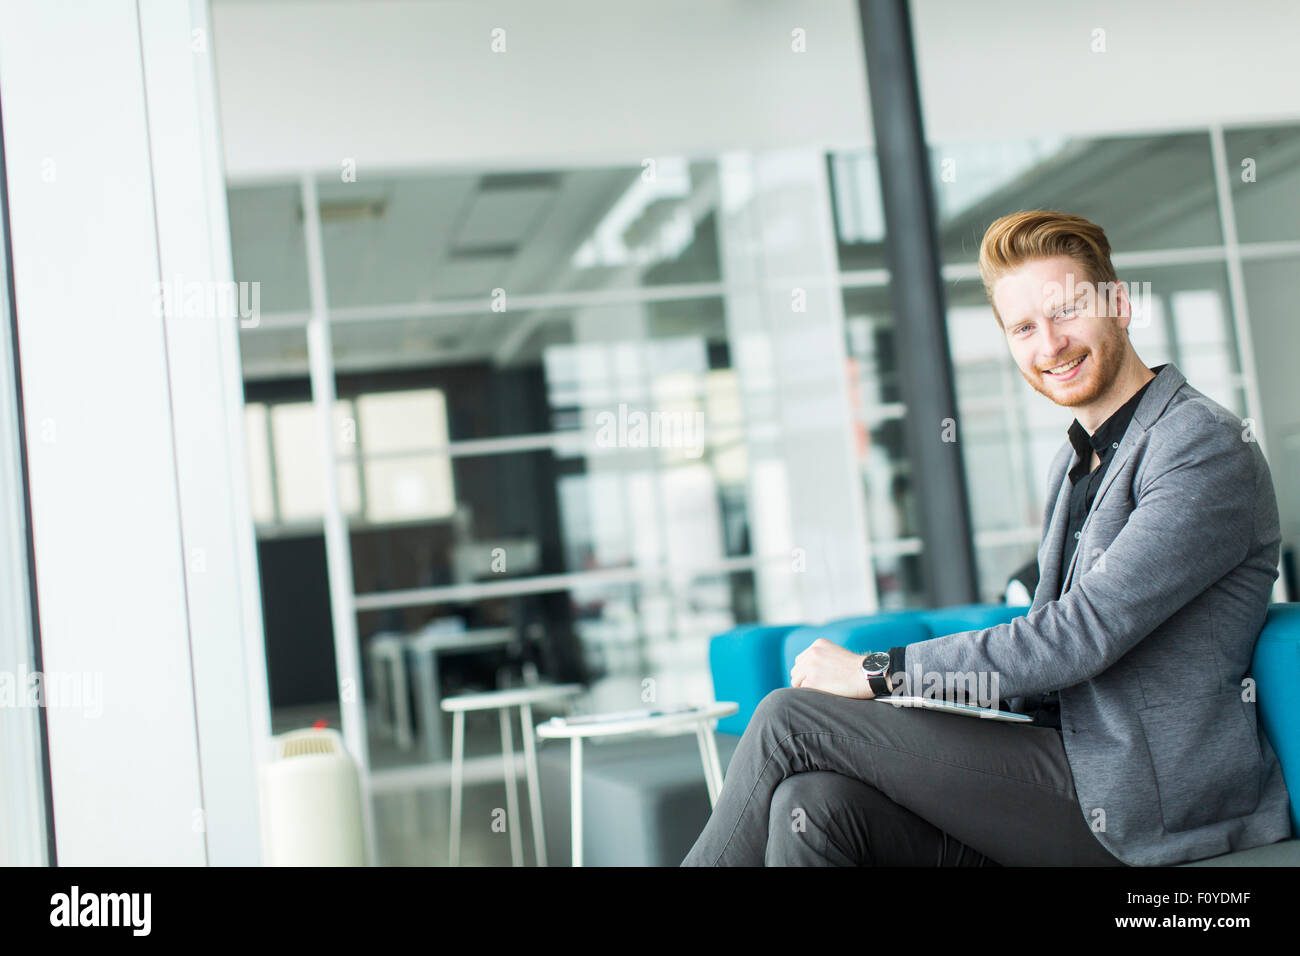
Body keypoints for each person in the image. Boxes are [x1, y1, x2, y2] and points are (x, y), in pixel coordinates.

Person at [681, 210, 1293, 867]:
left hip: (1149, 797)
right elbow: (1045, 670)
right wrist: (949, 714)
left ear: (1118, 304)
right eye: (1024, 328)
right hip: (1063, 766)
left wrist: (876, 673)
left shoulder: (1198, 444)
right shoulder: (1077, 460)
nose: (1050, 344)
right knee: (814, 808)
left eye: (1066, 312)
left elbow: (1075, 637)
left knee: (787, 719)